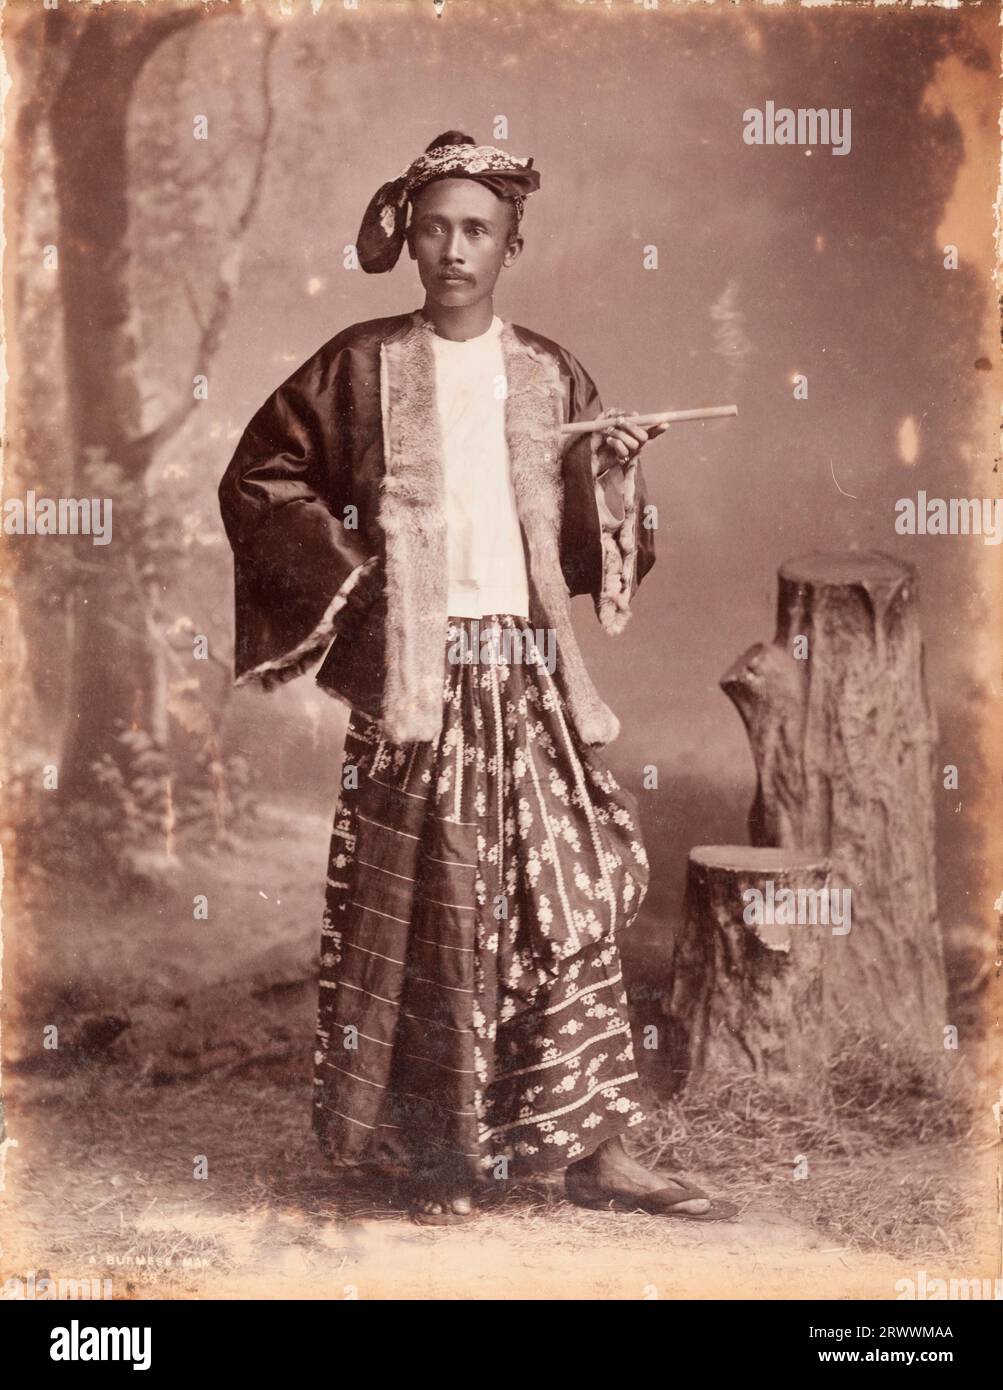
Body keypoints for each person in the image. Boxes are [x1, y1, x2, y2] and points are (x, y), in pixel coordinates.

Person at [219, 131, 736, 1224]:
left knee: (565, 899)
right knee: (441, 906)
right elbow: (261, 479)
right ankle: (442, 1156)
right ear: (409, 233)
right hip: (420, 678)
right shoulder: (357, 367)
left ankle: (594, 1144)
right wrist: (363, 587)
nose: (454, 248)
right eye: (437, 226)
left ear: (512, 243)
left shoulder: (547, 373)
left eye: (478, 230)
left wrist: (613, 470)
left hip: (530, 675)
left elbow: (596, 550)